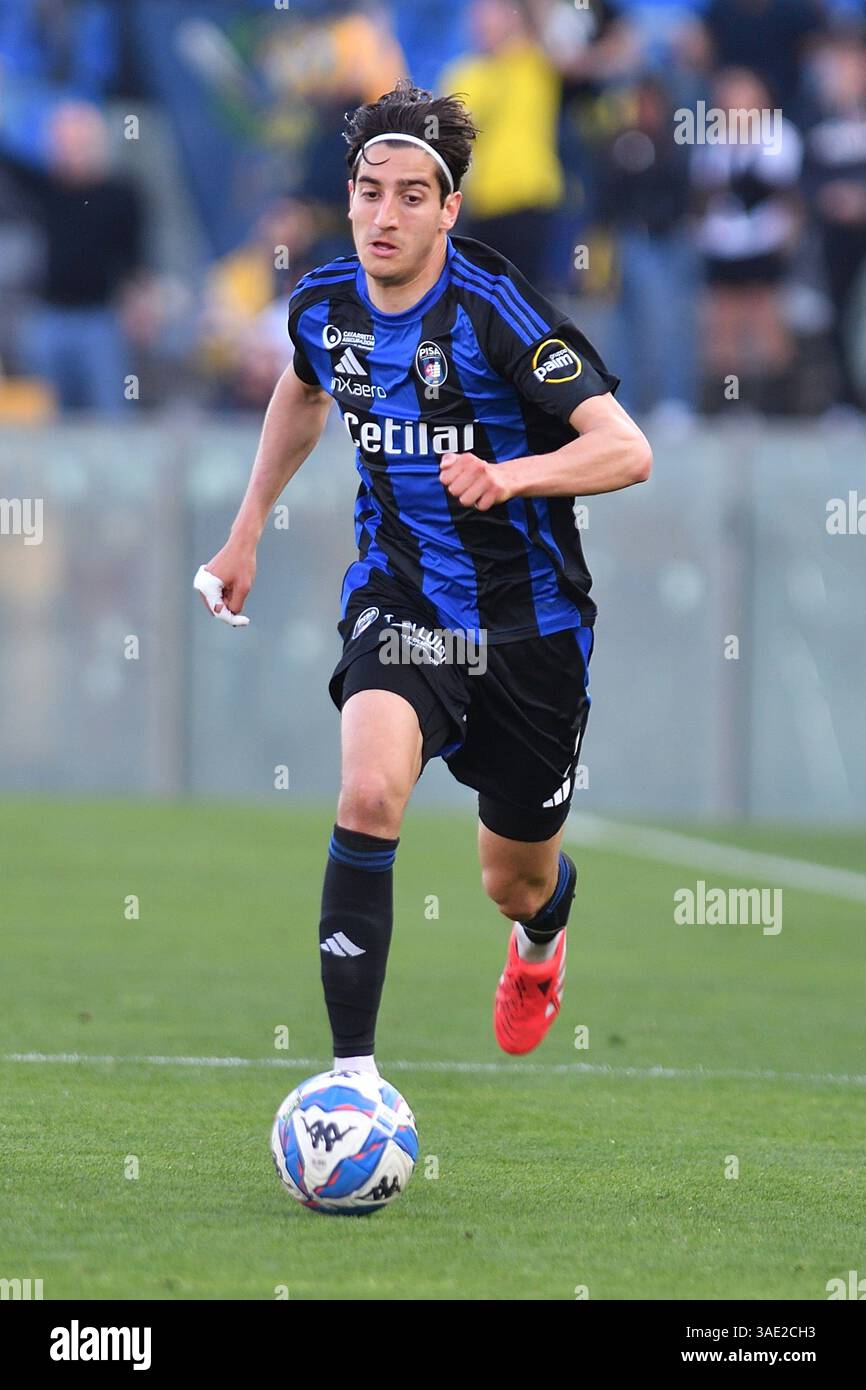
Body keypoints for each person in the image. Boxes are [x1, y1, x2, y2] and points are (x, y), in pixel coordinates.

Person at [195, 80, 651, 1075]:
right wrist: (245, 532)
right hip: (402, 601)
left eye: (411, 195)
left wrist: (511, 474)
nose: (382, 215)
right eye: (368, 191)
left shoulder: (496, 313)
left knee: (512, 881)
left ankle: (538, 942)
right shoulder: (320, 304)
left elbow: (625, 451)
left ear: (449, 208)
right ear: (347, 196)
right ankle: (350, 1079)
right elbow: (304, 390)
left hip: (528, 629)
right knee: (366, 794)